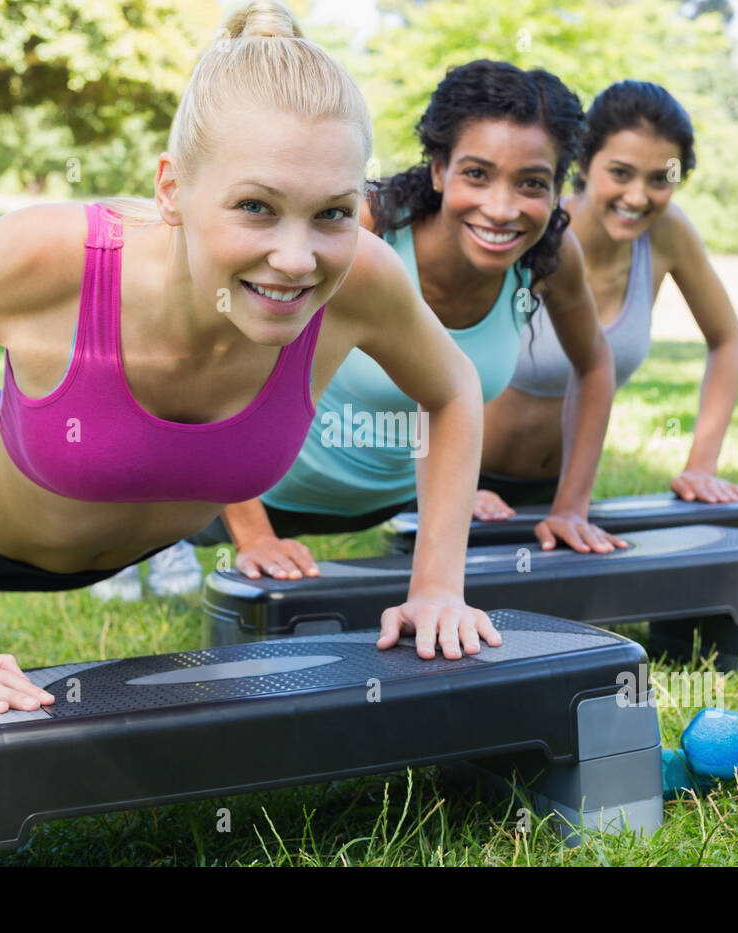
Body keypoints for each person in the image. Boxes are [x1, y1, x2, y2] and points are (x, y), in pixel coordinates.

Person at [0, 0, 502, 718]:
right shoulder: (44, 258)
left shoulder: (362, 280)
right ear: (171, 188)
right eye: (256, 207)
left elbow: (453, 390)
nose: (297, 257)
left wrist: (437, 586)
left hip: (124, 531)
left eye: (333, 212)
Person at [189, 60, 627, 581]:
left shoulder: (548, 255)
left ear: (558, 189)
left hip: (393, 504)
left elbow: (595, 364)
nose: (501, 208)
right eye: (477, 174)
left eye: (531, 183)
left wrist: (570, 507)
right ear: (439, 169)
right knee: (151, 510)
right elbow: (215, 358)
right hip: (264, 491)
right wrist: (254, 535)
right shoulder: (365, 226)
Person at [479, 80, 738, 512]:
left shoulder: (668, 234)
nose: (637, 197)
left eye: (660, 179)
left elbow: (727, 340)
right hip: (465, 481)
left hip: (561, 493)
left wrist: (702, 464)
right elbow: (437, 351)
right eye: (620, 173)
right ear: (583, 162)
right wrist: (456, 485)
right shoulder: (532, 228)